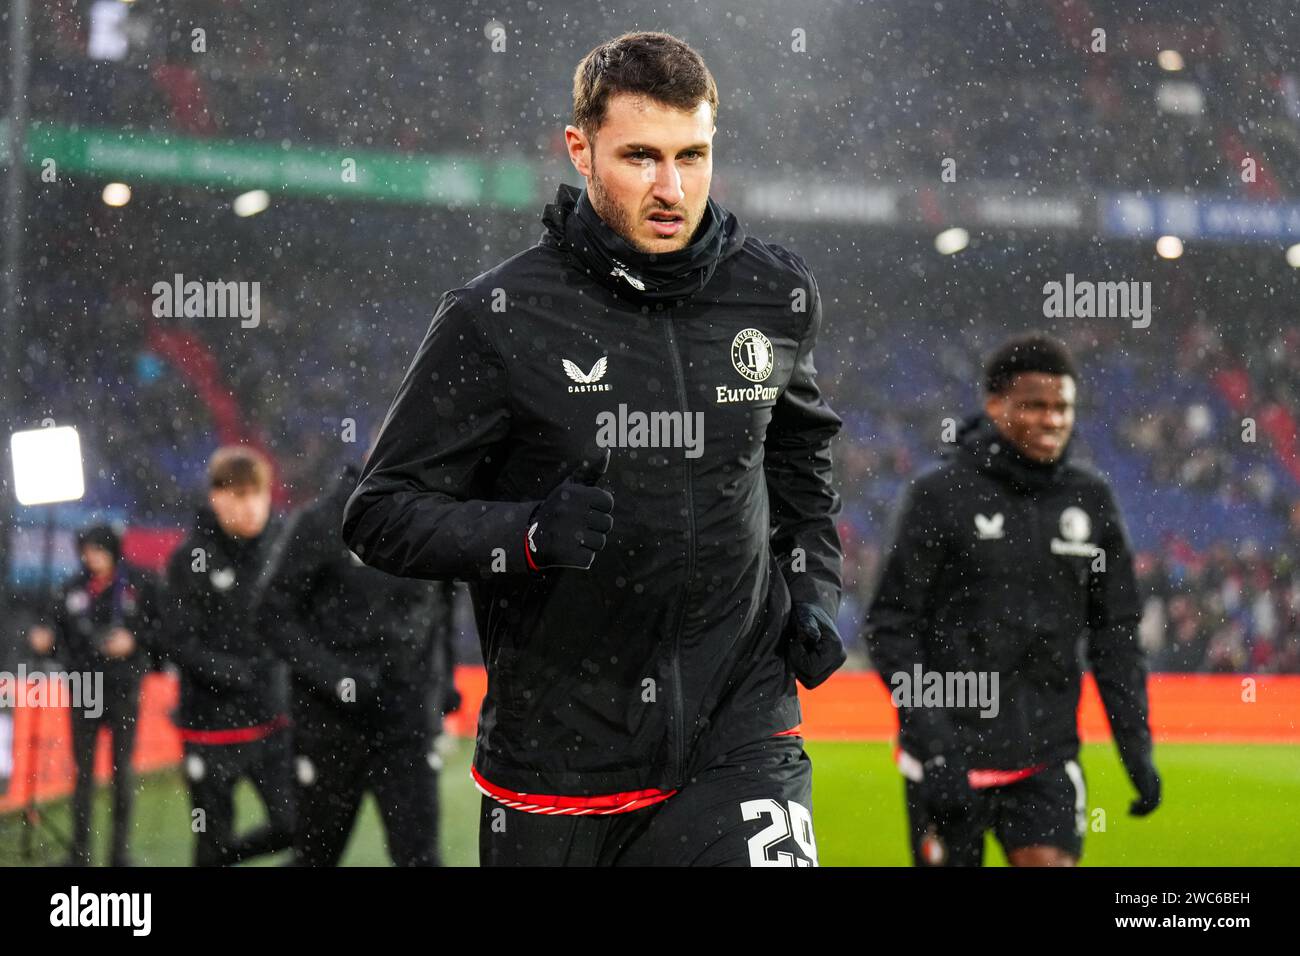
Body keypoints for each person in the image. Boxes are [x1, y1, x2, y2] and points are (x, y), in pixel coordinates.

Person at [343, 31, 845, 866]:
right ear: (579, 149)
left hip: (740, 738)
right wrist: (526, 536)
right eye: (641, 157)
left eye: (693, 155)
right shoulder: (495, 316)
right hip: (559, 765)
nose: (671, 188)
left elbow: (799, 466)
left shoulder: (775, 293)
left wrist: (813, 583)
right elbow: (381, 514)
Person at [864, 334, 1161, 867]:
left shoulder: (1088, 500)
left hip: (1044, 754)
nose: (1053, 420)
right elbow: (890, 626)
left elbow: (1115, 635)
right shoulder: (940, 495)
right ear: (995, 405)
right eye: (1035, 405)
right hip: (946, 754)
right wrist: (932, 742)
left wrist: (1136, 749)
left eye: (1063, 407)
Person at [254, 457, 458, 866]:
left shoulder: (433, 520)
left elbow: (442, 612)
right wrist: (336, 678)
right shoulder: (323, 520)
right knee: (315, 857)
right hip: (330, 727)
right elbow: (271, 613)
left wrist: (441, 696)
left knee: (420, 859)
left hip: (406, 724)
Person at [155, 446, 295, 866]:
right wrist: (239, 673)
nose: (251, 506)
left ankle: (227, 857)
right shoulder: (189, 560)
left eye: (258, 495)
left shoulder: (284, 548)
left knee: (296, 824)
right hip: (208, 731)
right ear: (216, 498)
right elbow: (177, 642)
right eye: (240, 496)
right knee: (208, 838)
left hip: (271, 724)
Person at [29, 523, 161, 866]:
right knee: (82, 776)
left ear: (114, 550)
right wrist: (47, 642)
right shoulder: (71, 588)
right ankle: (80, 854)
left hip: (122, 686)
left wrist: (134, 641)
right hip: (84, 687)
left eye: (99, 550)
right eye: (87, 551)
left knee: (122, 774)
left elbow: (161, 629)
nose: (93, 557)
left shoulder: (138, 584)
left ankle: (119, 855)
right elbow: (58, 637)